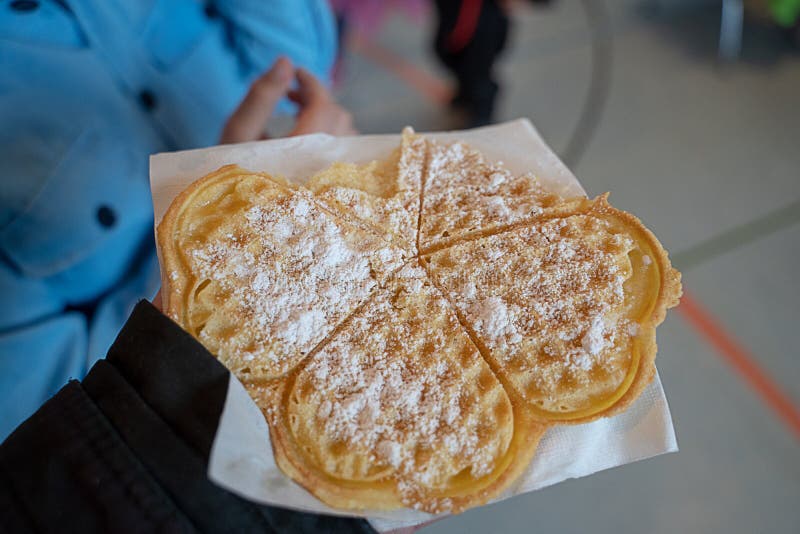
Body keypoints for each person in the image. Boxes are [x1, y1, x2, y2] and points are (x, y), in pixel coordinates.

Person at [0, 0, 352, 441]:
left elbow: (305, 65)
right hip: (213, 416)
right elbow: (39, 415)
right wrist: (220, 239)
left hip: (350, 266)